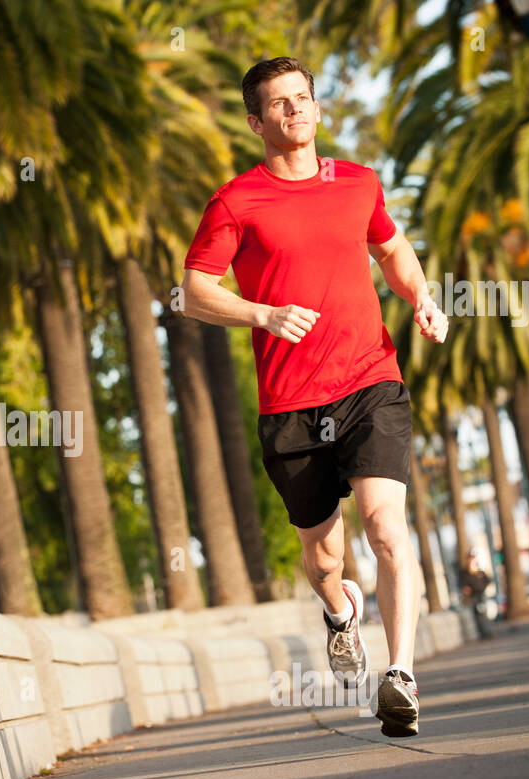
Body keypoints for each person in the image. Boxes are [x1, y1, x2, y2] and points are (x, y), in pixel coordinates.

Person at [180, 56, 449, 737]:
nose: (293, 111)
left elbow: (392, 248)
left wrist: (420, 298)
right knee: (324, 557)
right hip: (291, 404)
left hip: (369, 381)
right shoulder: (236, 201)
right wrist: (261, 314)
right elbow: (195, 290)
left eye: (302, 99)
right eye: (278, 103)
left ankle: (401, 674)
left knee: (387, 527)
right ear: (256, 121)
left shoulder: (357, 184)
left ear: (318, 109)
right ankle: (338, 611)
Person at [459, 549, 495, 639]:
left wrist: (482, 587)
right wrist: (466, 589)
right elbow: (463, 583)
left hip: (481, 594)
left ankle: (488, 632)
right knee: (477, 614)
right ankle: (482, 633)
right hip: (473, 596)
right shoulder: (465, 572)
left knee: (484, 613)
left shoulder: (480, 571)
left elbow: (488, 580)